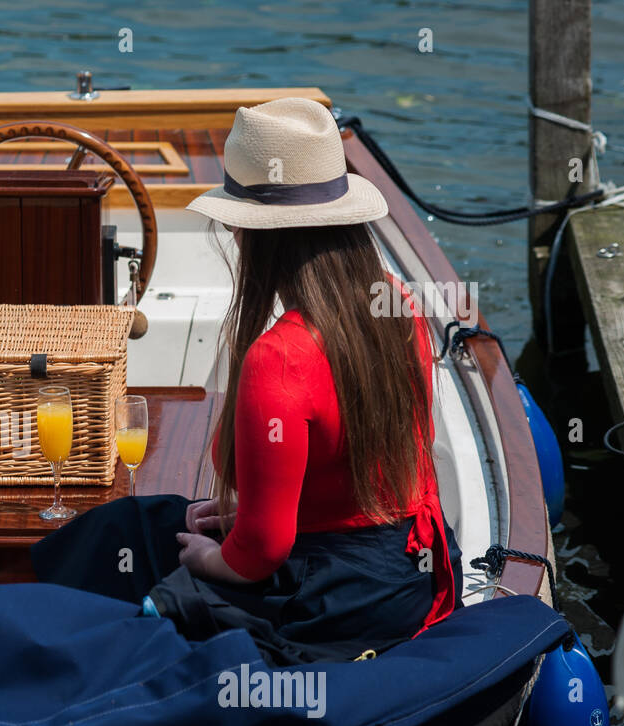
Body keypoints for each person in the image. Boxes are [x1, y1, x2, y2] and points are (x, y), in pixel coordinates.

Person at [33, 98, 462, 664]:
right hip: (406, 574)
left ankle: (32, 647)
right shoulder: (395, 301)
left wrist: (211, 561)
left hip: (328, 601)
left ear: (250, 233)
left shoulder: (278, 357)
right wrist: (247, 519)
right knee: (153, 521)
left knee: (121, 537)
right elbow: (357, 476)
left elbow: (263, 549)